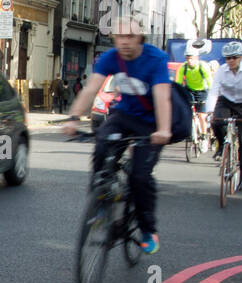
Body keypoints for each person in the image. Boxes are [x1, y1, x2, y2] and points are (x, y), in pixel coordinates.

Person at [63, 17, 171, 254]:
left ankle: (147, 230)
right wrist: (74, 117)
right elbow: (91, 89)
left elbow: (163, 97)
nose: (124, 42)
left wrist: (163, 129)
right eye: (120, 37)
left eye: (130, 36)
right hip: (124, 115)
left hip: (151, 122)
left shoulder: (155, 59)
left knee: (140, 177)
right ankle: (100, 202)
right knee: (101, 145)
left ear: (140, 37)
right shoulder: (110, 58)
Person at [207, 41, 242, 191]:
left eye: (234, 57)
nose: (231, 61)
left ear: (240, 57)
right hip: (226, 101)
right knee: (216, 122)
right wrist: (210, 111)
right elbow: (213, 92)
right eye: (227, 58)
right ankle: (221, 146)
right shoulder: (221, 71)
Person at [176, 48, 213, 136]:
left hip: (202, 91)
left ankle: (204, 135)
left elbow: (209, 81)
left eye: (191, 58)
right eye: (187, 58)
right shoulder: (183, 67)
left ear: (196, 58)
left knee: (201, 115)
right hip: (190, 91)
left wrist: (211, 95)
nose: (189, 61)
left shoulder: (203, 66)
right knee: (187, 112)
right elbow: (178, 83)